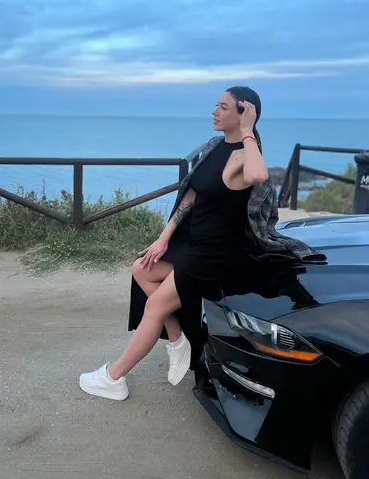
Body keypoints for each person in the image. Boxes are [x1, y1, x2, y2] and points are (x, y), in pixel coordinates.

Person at [79, 86, 326, 401]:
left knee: (155, 307)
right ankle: (177, 339)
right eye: (216, 105)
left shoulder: (243, 155)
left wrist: (248, 132)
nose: (214, 111)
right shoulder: (215, 147)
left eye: (223, 107)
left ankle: (114, 377)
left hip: (216, 256)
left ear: (243, 114)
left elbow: (258, 175)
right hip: (194, 245)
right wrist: (162, 239)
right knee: (142, 269)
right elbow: (191, 196)